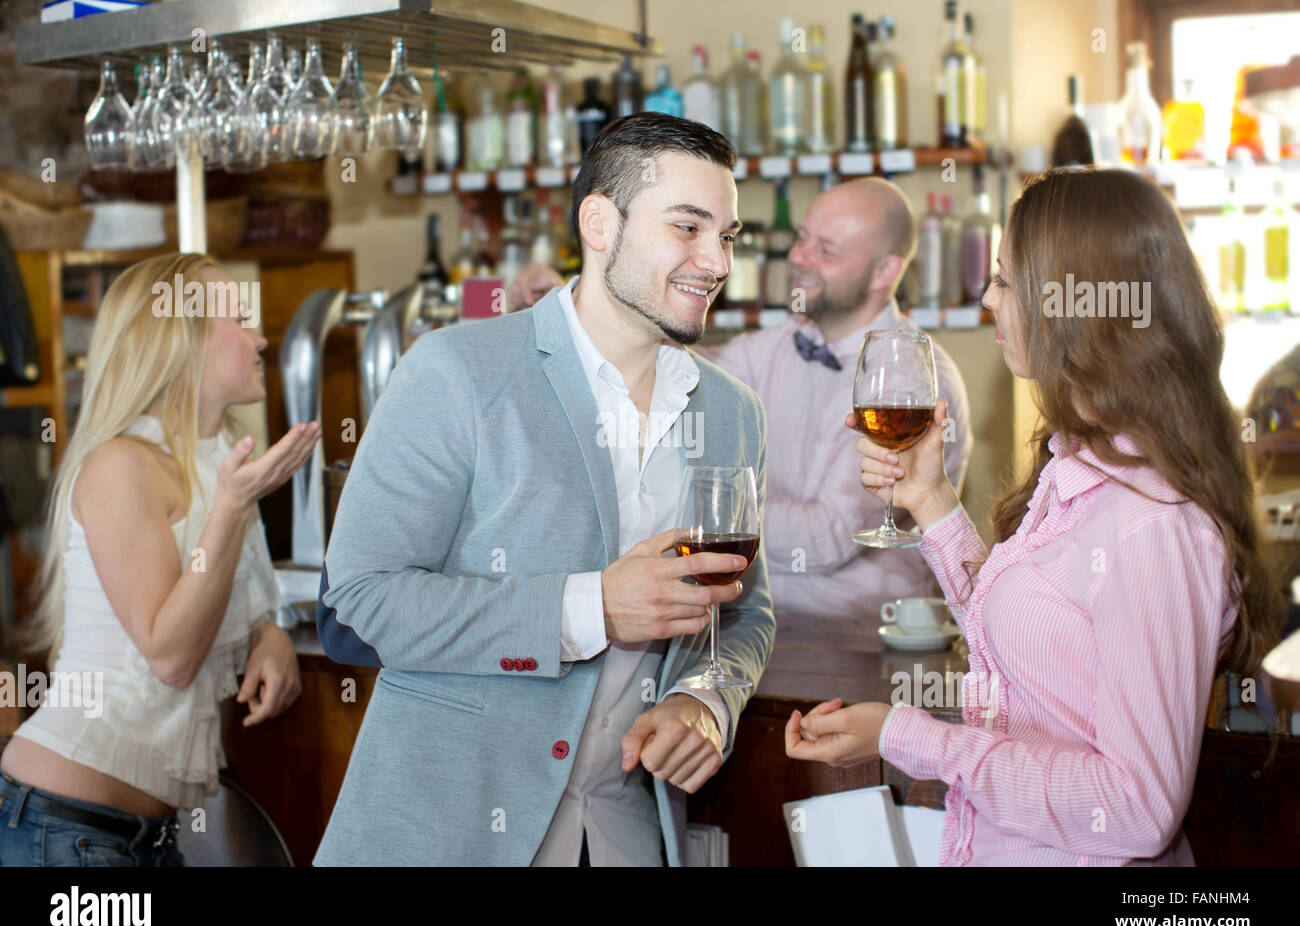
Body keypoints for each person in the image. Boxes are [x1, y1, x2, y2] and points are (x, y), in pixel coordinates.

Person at [786, 167, 1284, 865]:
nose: (987, 300)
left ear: (1078, 305)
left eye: (1005, 282)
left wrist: (912, 737)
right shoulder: (1078, 465)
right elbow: (1027, 646)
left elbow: (1134, 809)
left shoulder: (1153, 526)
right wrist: (930, 499)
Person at [315, 114, 774, 866]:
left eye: (726, 236)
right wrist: (592, 607)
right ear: (600, 222)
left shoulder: (731, 413)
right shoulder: (456, 370)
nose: (715, 261)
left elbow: (747, 610)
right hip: (447, 834)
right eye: (687, 228)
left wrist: (707, 701)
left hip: (625, 833)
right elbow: (361, 602)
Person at [0, 253, 316, 867]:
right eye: (240, 321)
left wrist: (267, 632)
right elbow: (171, 653)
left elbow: (226, 595)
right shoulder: (123, 465)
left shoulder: (217, 460)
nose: (261, 339)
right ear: (181, 340)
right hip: (60, 828)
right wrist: (231, 508)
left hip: (142, 839)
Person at [701, 178, 971, 628]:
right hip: (755, 632)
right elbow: (686, 370)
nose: (797, 259)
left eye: (826, 251)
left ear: (884, 272)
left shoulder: (915, 380)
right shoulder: (778, 345)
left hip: (865, 643)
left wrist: (707, 506)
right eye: (802, 238)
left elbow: (825, 538)